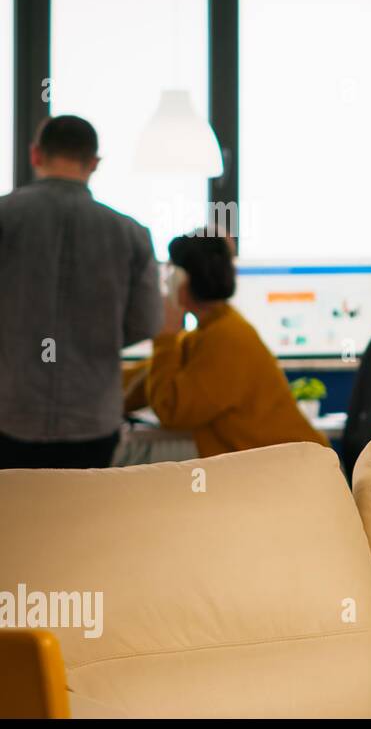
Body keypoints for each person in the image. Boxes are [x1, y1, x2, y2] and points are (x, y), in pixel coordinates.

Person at [0, 115, 161, 469]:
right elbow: (147, 322)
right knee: (81, 521)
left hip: (10, 411)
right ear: (94, 163)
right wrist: (89, 339)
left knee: (12, 521)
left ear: (35, 155)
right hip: (91, 419)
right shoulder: (131, 233)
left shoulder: (5, 217)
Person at [121, 233, 330, 457]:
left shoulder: (226, 338)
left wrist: (165, 335)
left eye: (169, 273)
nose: (164, 282)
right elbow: (150, 379)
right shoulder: (210, 331)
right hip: (278, 470)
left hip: (298, 472)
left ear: (179, 279)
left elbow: (171, 410)